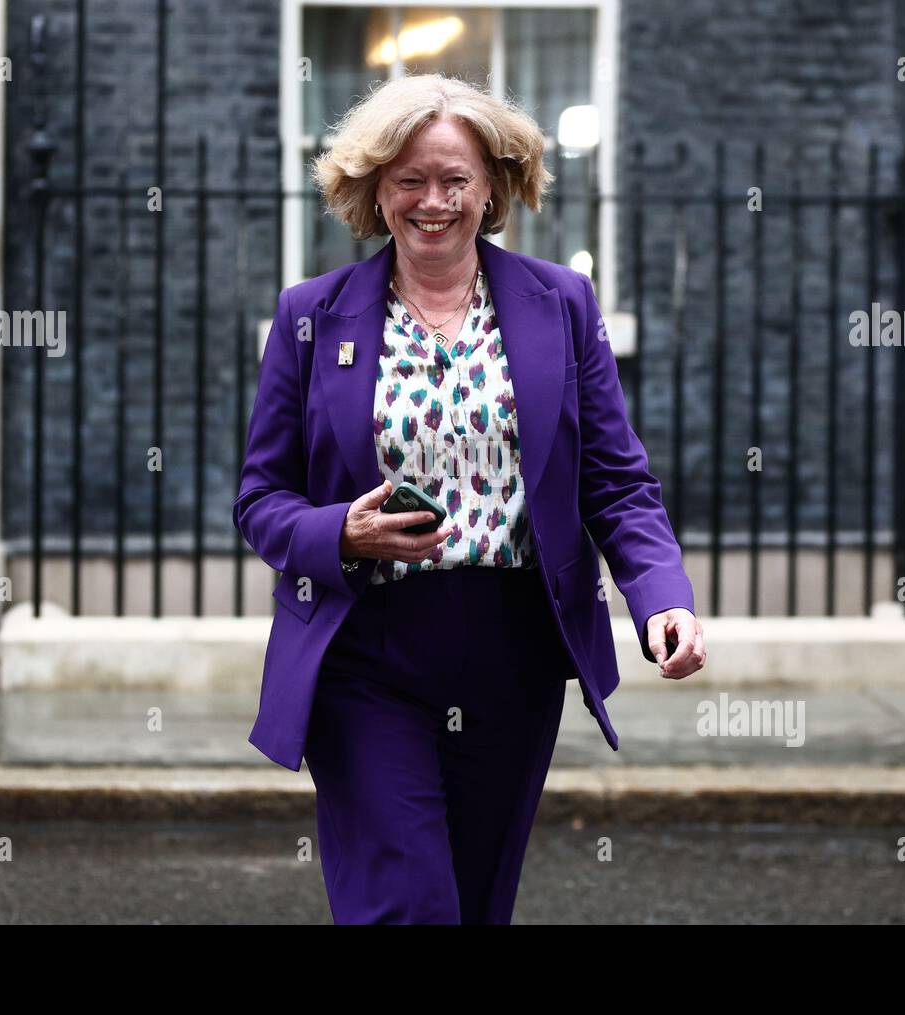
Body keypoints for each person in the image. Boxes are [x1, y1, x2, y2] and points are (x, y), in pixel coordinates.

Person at [234, 73, 705, 924]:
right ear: (376, 189)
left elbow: (615, 477)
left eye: (455, 179)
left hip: (513, 651)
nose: (433, 201)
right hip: (366, 652)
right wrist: (341, 530)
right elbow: (261, 499)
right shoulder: (312, 315)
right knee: (408, 902)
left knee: (477, 902)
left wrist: (660, 596)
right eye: (410, 180)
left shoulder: (561, 304)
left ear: (492, 186)